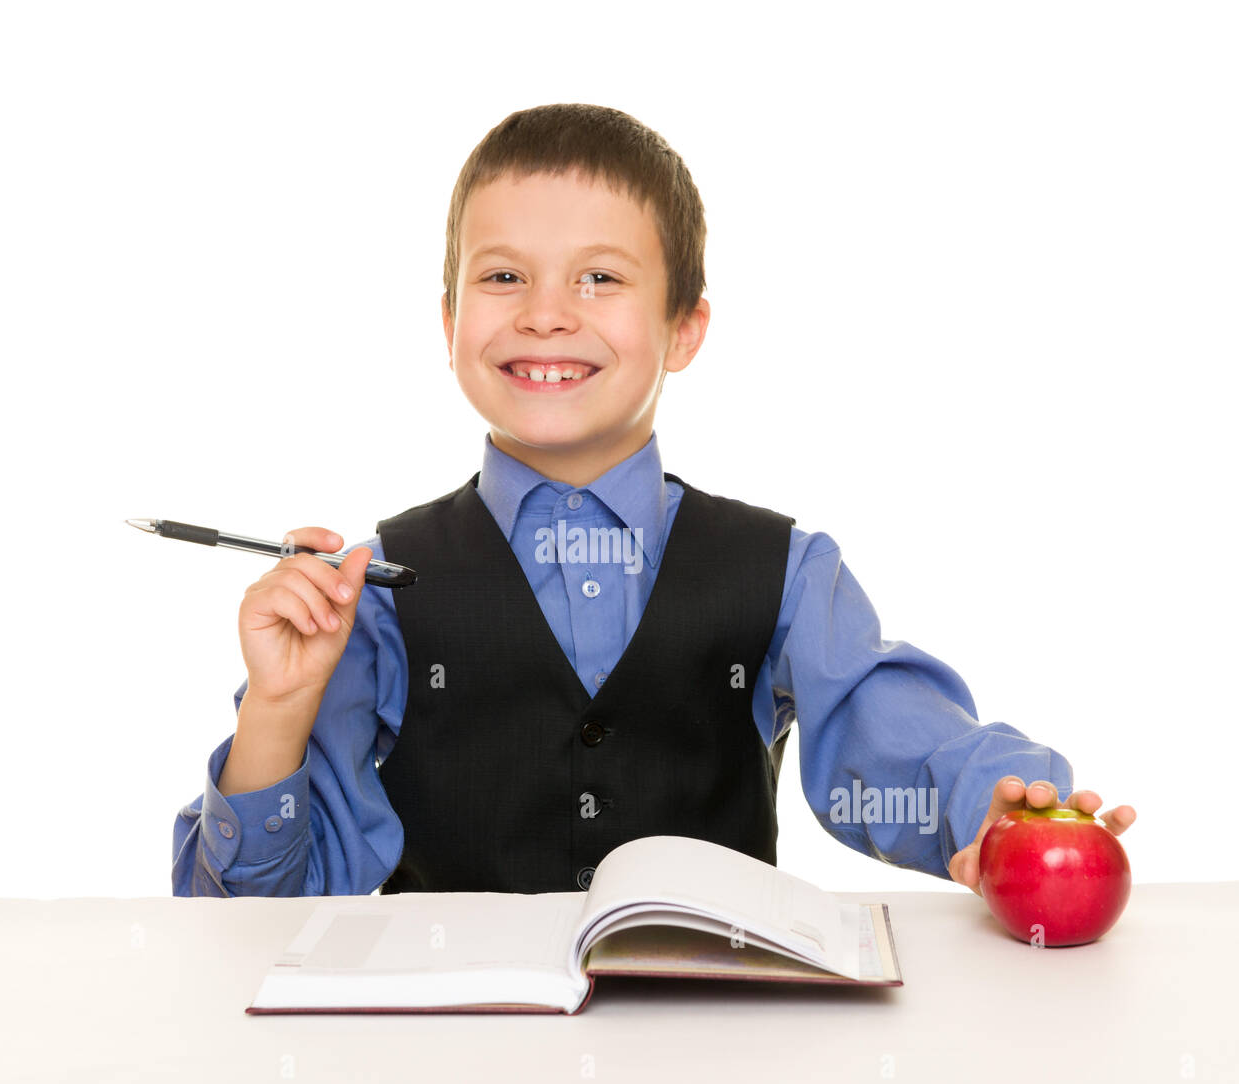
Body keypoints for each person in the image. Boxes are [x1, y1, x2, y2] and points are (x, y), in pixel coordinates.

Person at [172, 102, 1135, 898]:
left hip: (714, 1053)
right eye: (503, 277)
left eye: (599, 278)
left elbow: (887, 734)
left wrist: (998, 813)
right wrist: (278, 708)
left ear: (684, 328)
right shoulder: (375, 594)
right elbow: (245, 915)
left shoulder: (787, 571)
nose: (546, 311)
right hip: (448, 1057)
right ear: (450, 321)